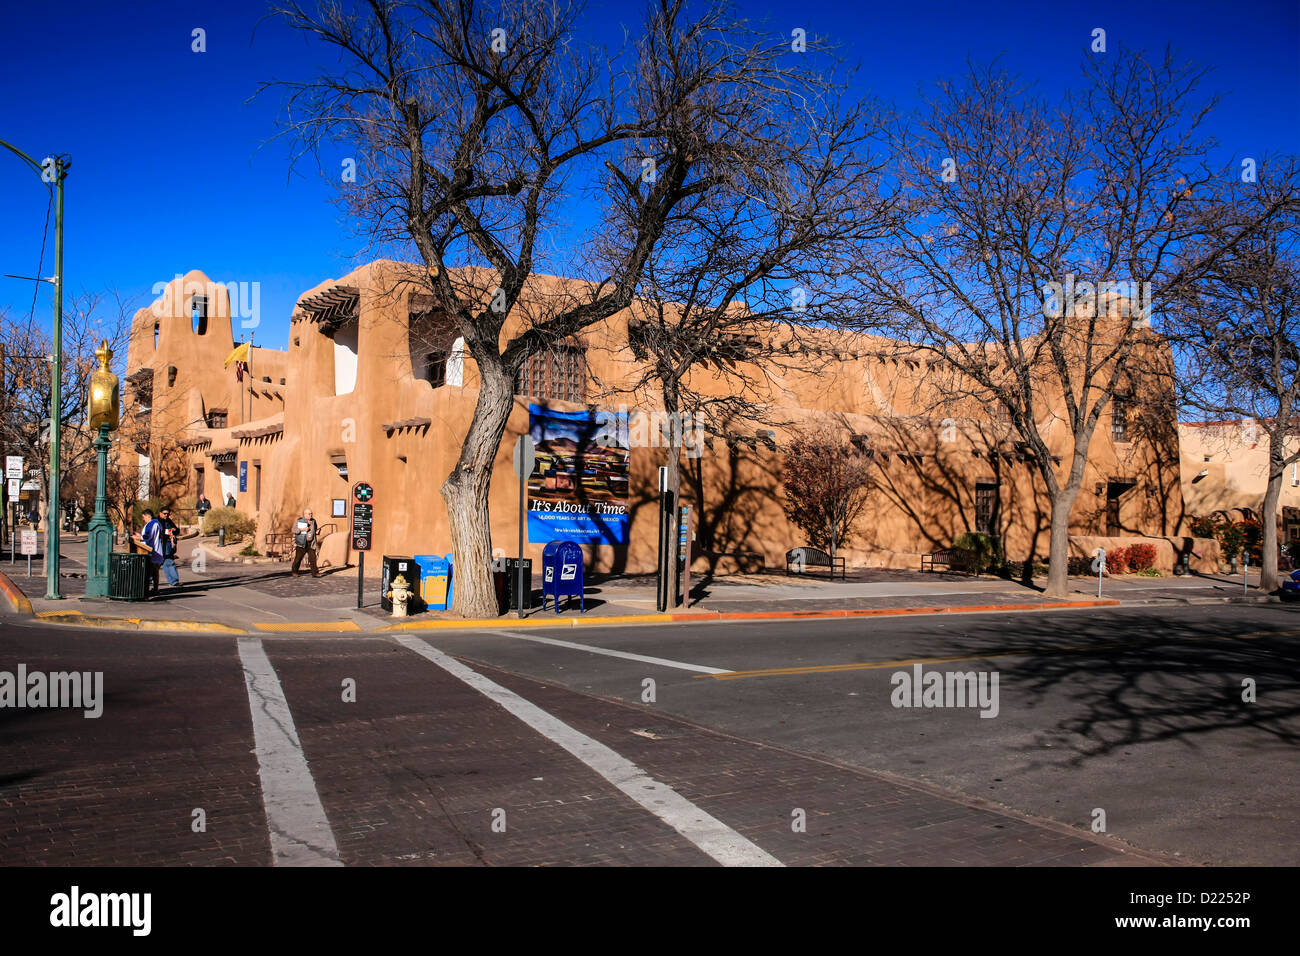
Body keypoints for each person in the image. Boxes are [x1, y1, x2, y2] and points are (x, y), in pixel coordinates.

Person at [137, 509, 164, 594]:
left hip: (153, 551)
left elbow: (148, 536)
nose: (143, 519)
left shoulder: (153, 524)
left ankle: (146, 590)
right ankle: (155, 589)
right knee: (155, 572)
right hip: (156, 550)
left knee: (150, 571)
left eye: (143, 517)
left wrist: (140, 537)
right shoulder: (157, 523)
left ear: (148, 516)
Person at [291, 508, 321, 577]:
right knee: (298, 559)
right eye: (309, 514)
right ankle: (294, 571)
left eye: (311, 513)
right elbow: (294, 530)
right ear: (305, 514)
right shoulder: (299, 521)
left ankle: (315, 573)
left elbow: (315, 528)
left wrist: (316, 532)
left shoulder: (313, 521)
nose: (311, 515)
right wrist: (302, 529)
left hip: (311, 543)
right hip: (302, 543)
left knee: (313, 558)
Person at [157, 506, 181, 587]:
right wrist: (169, 532)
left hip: (167, 546)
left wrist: (174, 530)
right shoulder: (156, 522)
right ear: (160, 513)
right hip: (159, 546)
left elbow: (177, 530)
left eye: (168, 514)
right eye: (164, 514)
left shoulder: (169, 521)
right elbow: (159, 532)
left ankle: (174, 581)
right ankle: (147, 579)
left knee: (169, 562)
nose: (166, 515)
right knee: (155, 565)